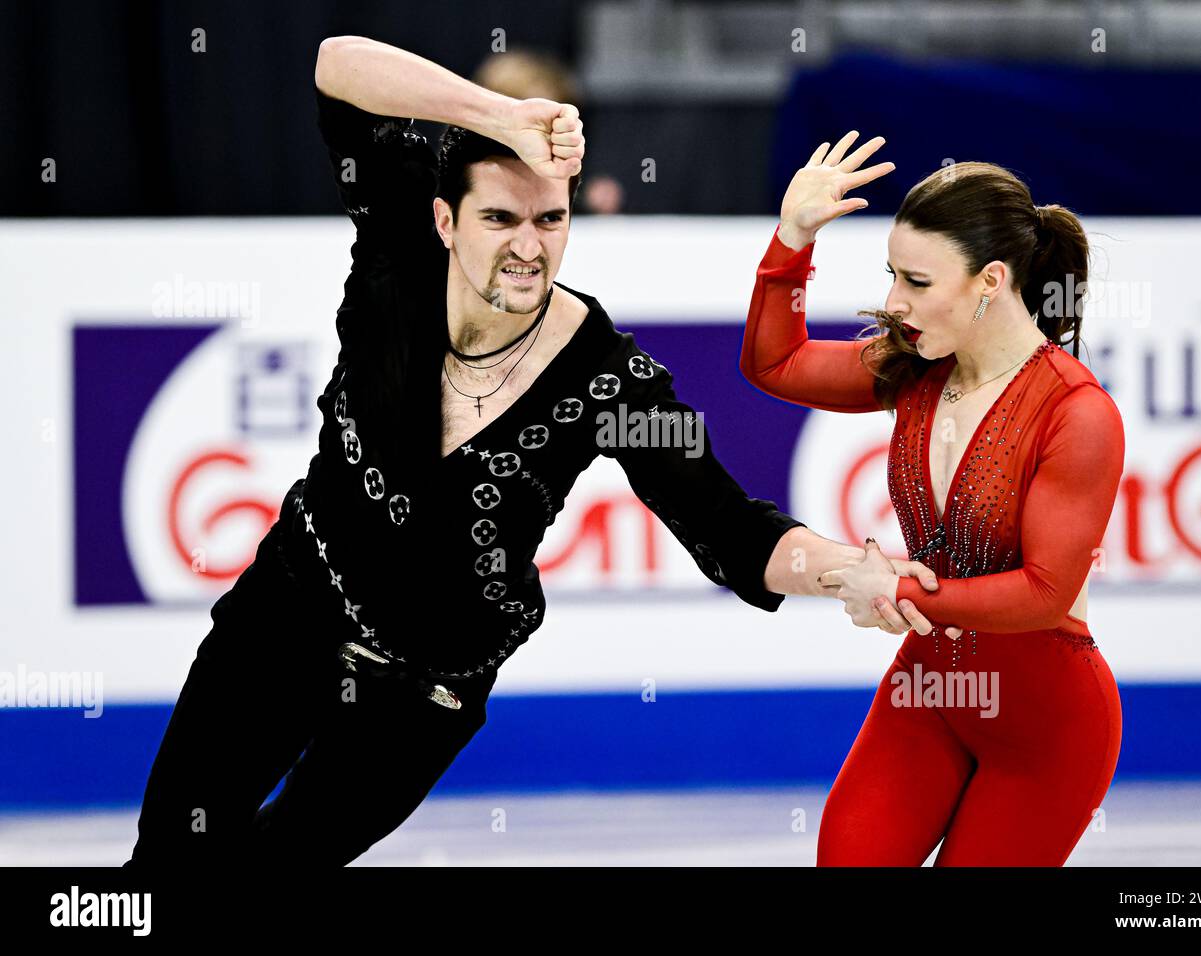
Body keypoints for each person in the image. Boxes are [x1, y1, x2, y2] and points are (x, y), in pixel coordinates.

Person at [124, 38, 940, 868]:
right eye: (500, 218)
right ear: (445, 220)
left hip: (425, 694)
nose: (528, 246)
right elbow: (335, 65)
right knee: (165, 864)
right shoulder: (400, 246)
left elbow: (732, 530)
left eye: (551, 219)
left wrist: (847, 569)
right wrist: (503, 117)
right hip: (289, 613)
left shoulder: (607, 379)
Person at [740, 131, 1126, 865]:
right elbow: (774, 361)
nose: (893, 301)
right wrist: (792, 238)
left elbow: (1047, 593)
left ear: (991, 280)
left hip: (1044, 734)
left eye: (917, 282)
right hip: (924, 700)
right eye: (893, 275)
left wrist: (901, 587)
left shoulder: (1076, 413)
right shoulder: (915, 366)